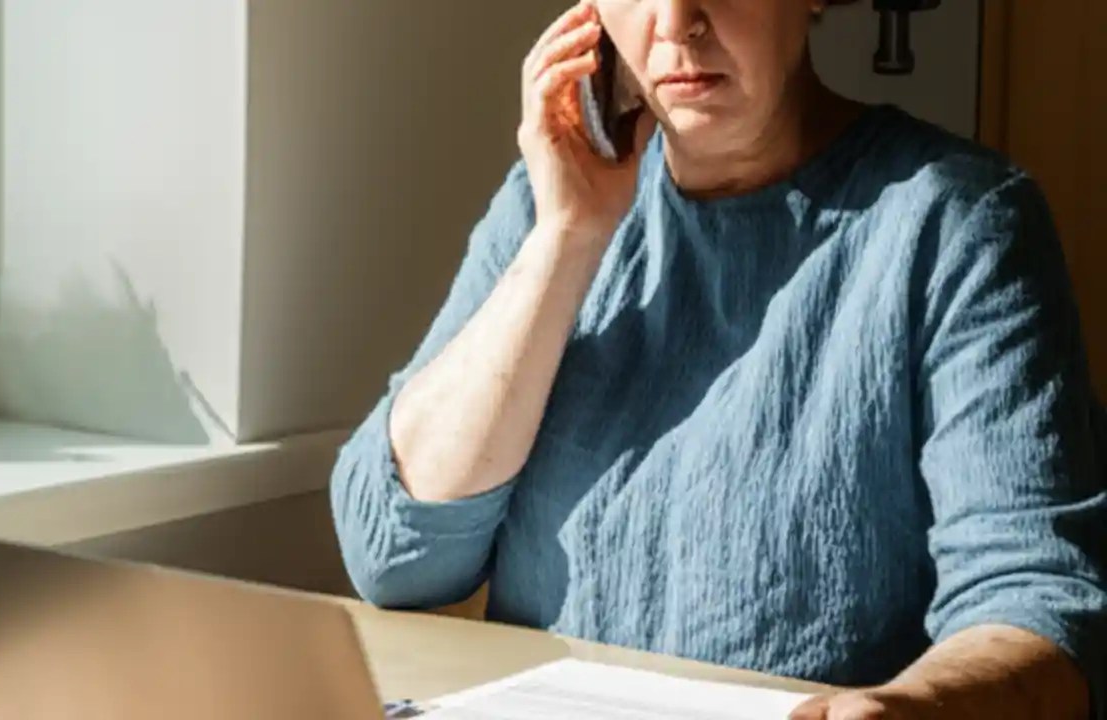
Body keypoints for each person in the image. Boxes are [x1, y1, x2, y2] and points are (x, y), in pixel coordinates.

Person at [330, 0, 1107, 717]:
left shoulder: (955, 222)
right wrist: (568, 236)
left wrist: (916, 708)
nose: (677, 20)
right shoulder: (548, 203)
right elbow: (397, 557)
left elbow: (1037, 604)